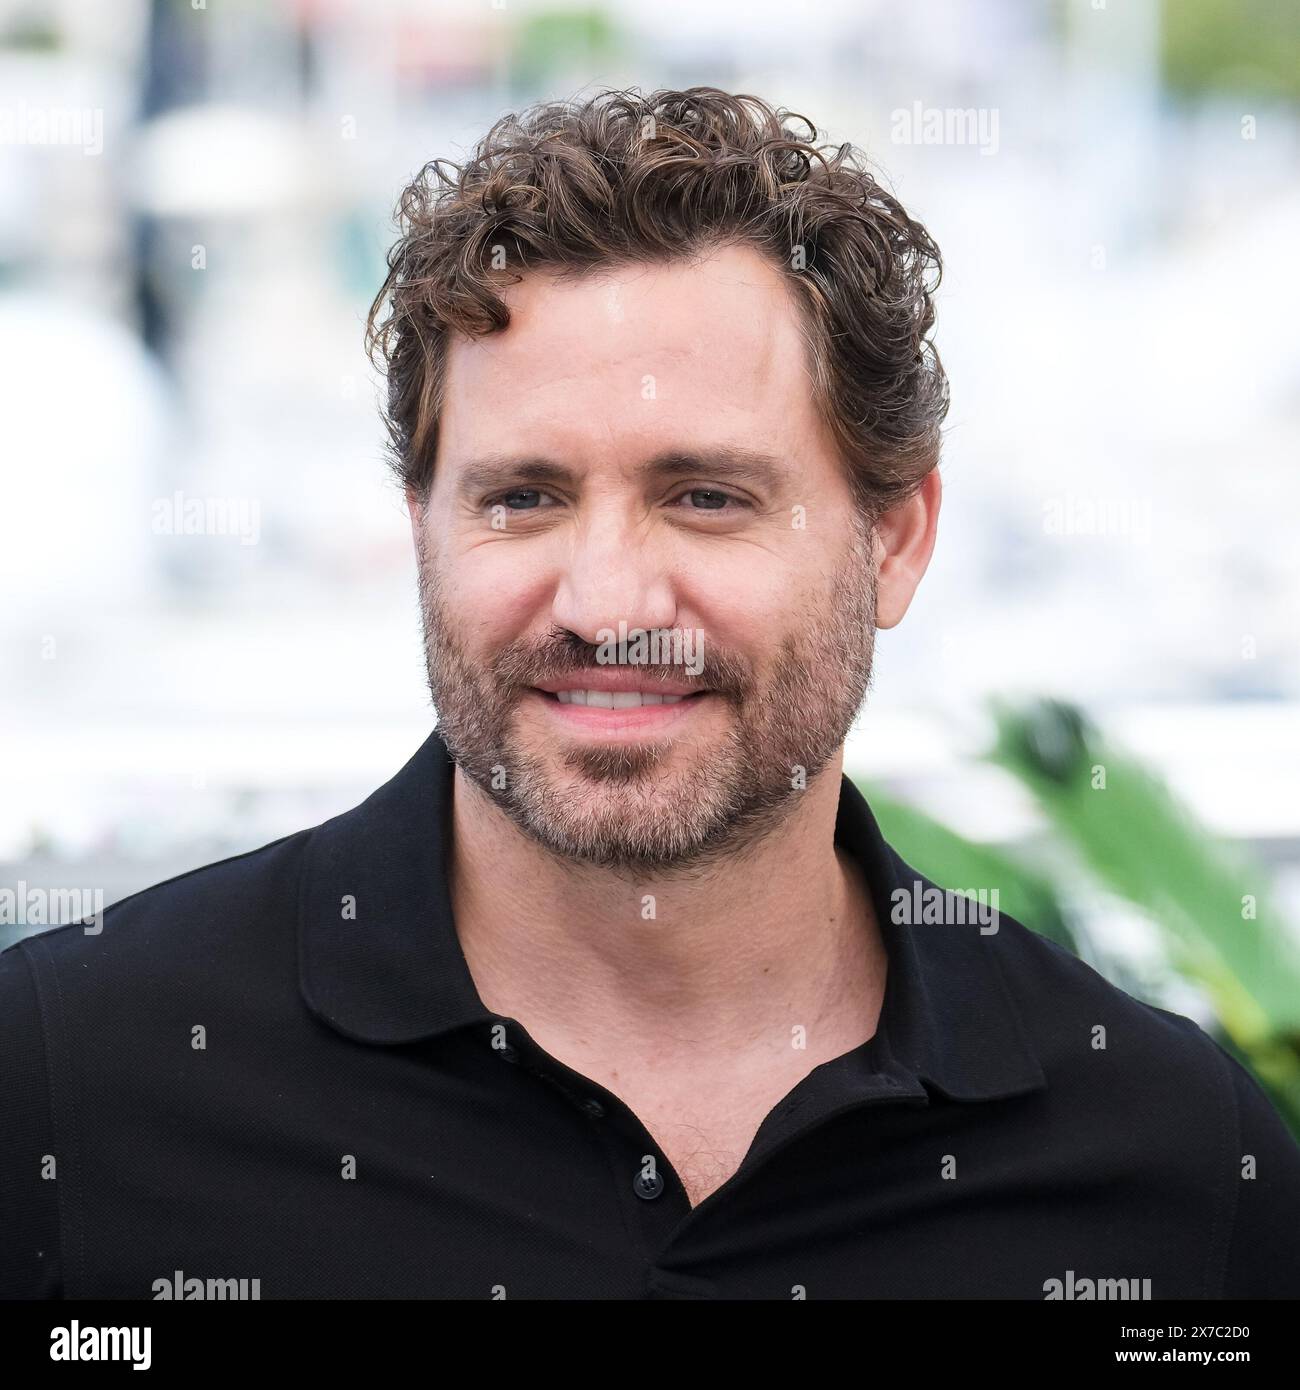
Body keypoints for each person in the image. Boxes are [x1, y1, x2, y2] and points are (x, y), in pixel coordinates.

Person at [3, 86, 1298, 1300]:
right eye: (524, 498)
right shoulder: (64, 1086)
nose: (608, 603)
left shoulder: (1176, 1171)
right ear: (422, 530)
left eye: (706, 498)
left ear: (895, 539)